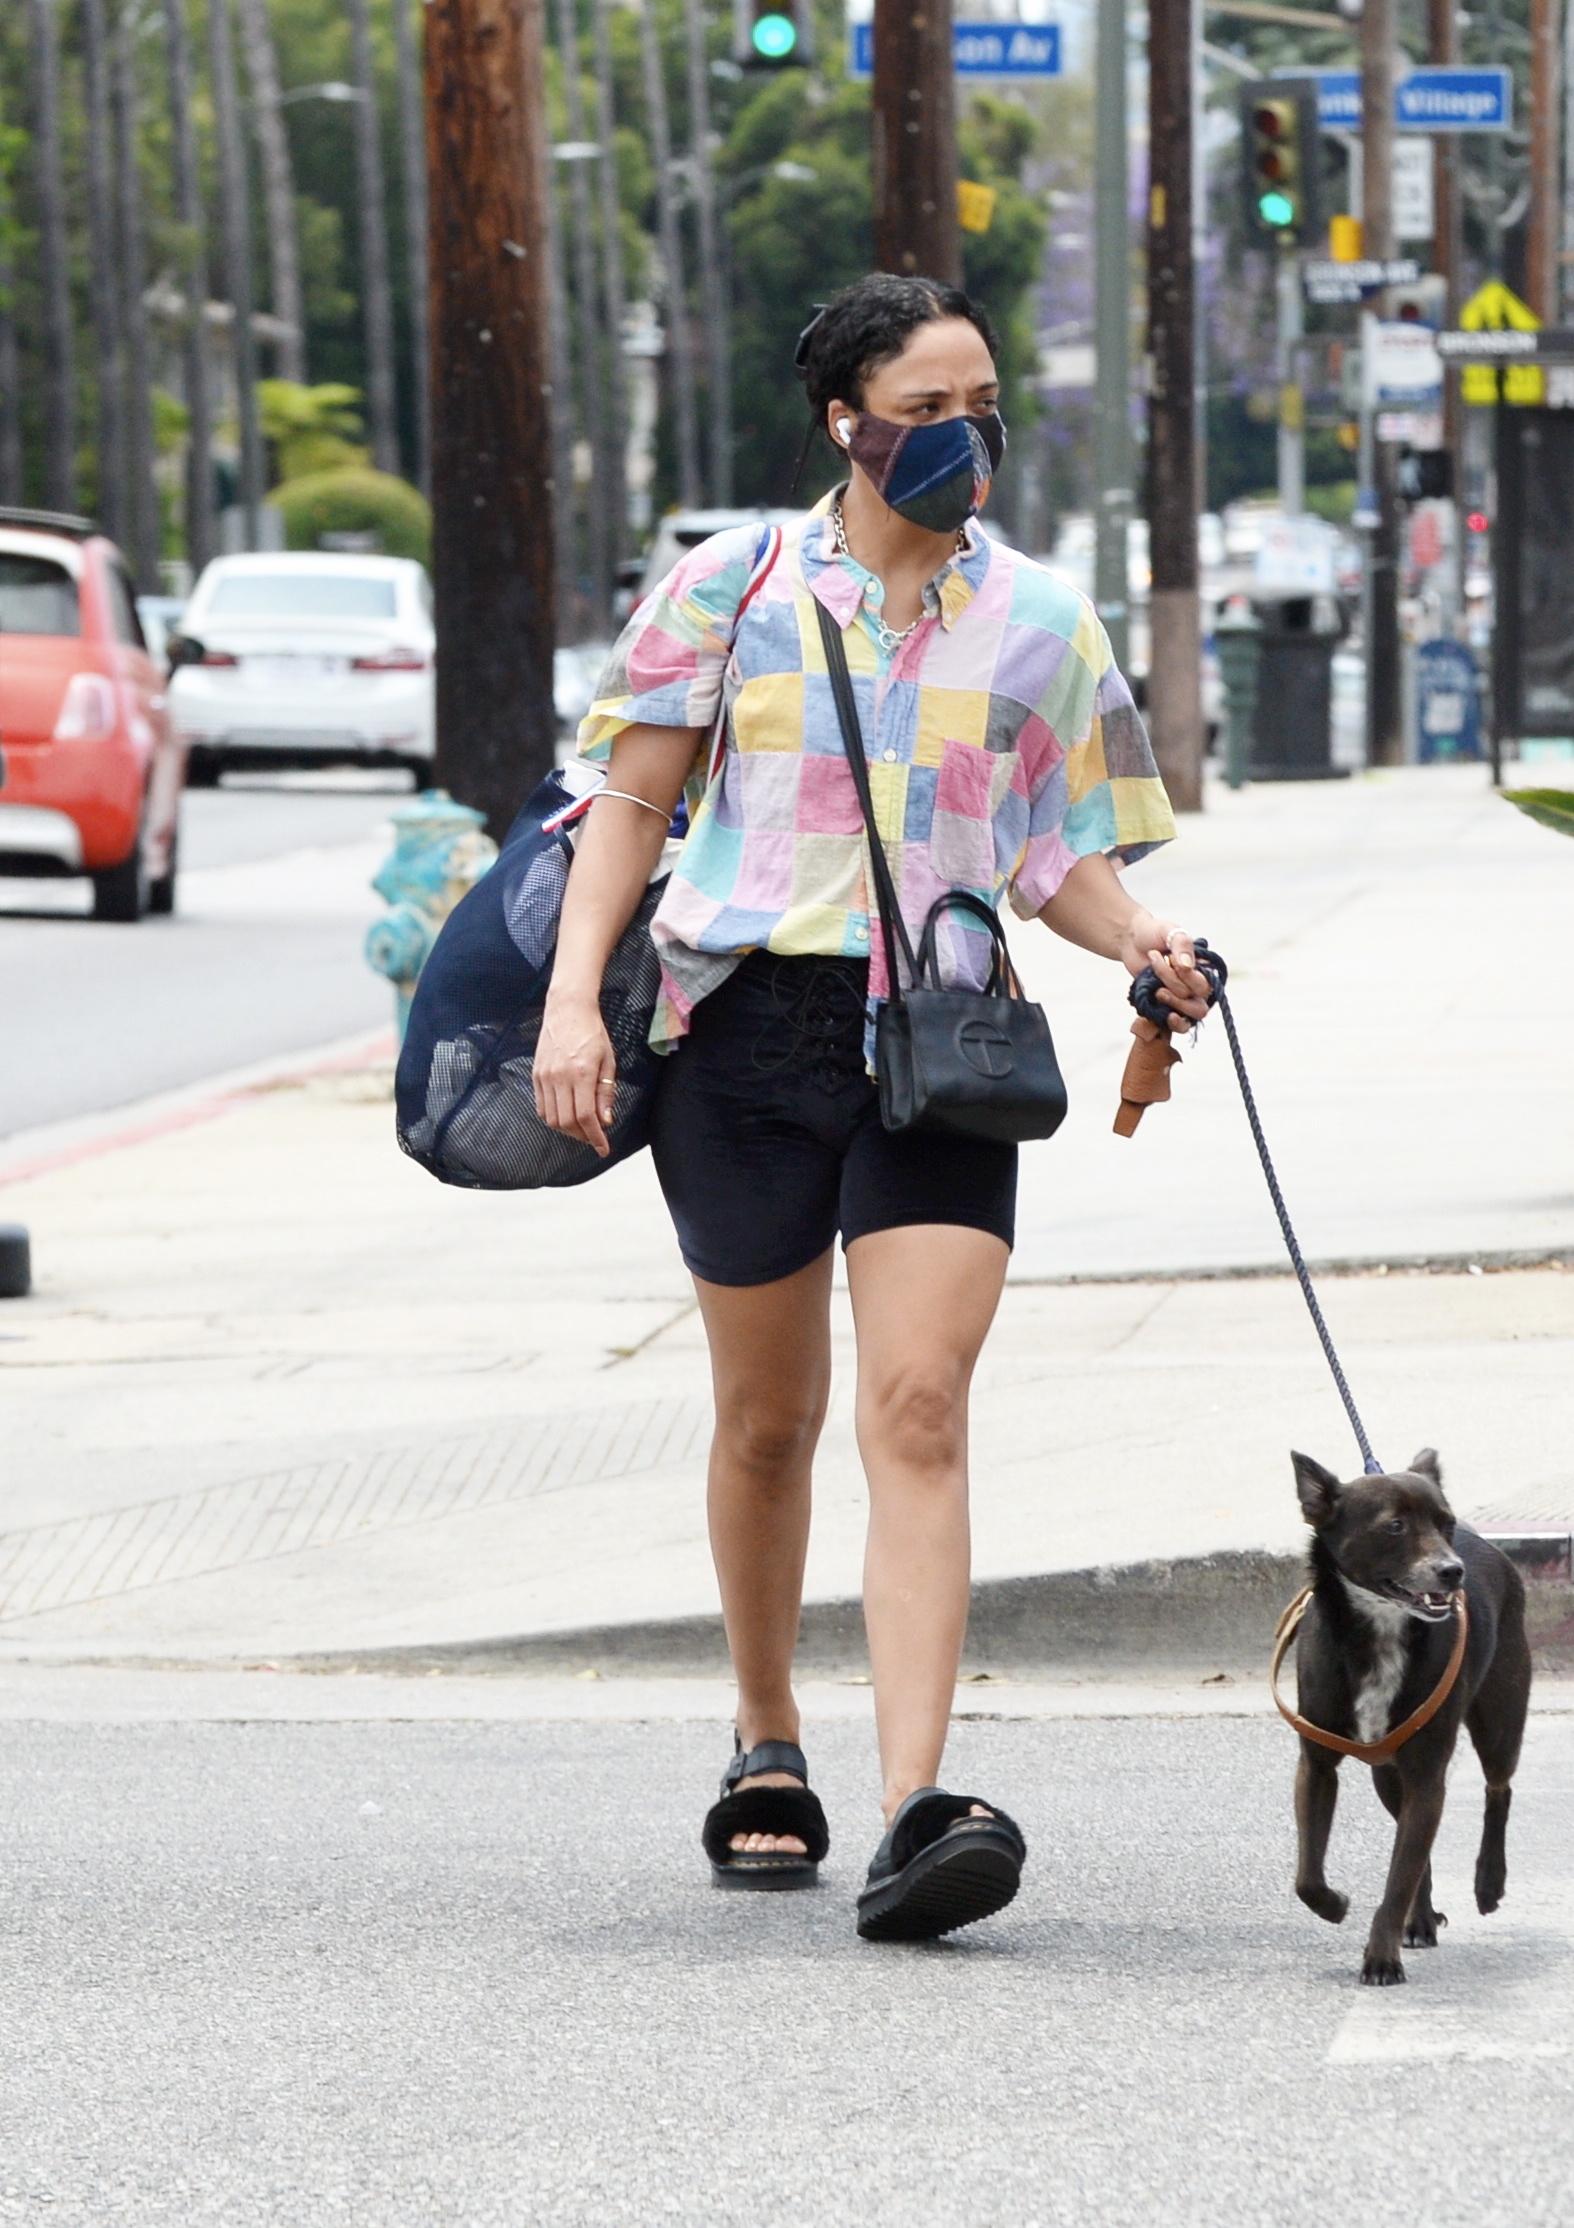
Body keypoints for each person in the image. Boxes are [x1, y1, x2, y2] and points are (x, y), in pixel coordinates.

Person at [533, 272, 1211, 1942]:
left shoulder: (1044, 620)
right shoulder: (731, 589)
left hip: (948, 1046)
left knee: (919, 1405)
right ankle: (770, 1740)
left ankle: (919, 1805)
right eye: (926, 409)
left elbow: (1060, 849)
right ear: (845, 421)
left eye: (981, 404)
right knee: (769, 1420)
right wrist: (574, 1007)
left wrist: (1147, 942)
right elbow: (626, 805)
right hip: (746, 1028)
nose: (963, 435)